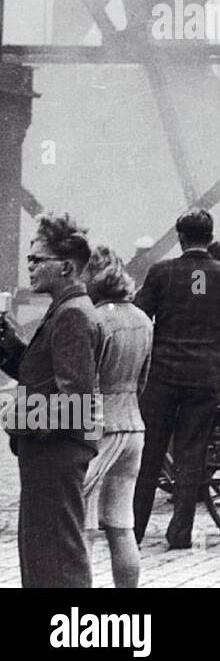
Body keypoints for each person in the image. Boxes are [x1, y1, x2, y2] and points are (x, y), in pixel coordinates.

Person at [133, 208, 220, 549]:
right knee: (192, 452)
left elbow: (139, 317)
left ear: (180, 237)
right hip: (205, 375)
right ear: (210, 238)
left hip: (164, 375)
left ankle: (134, 530)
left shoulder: (161, 272)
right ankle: (180, 532)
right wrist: (210, 349)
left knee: (150, 453)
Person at [0, 212, 101, 587]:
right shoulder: (66, 309)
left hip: (55, 455)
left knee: (58, 557)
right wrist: (6, 339)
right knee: (44, 554)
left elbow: (75, 403)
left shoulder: (72, 315)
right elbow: (39, 373)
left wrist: (16, 415)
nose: (29, 265)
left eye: (37, 259)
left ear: (66, 267)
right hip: (49, 455)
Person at [81, 244, 152, 588]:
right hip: (134, 425)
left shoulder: (94, 319)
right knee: (122, 523)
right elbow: (143, 381)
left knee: (84, 521)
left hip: (100, 428)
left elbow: (86, 381)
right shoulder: (142, 319)